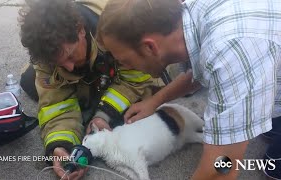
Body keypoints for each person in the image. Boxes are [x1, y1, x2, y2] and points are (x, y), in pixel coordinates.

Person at [96, 0, 281, 179]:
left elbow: (220, 168)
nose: (124, 66)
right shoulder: (191, 16)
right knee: (265, 127)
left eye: (123, 61)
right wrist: (155, 101)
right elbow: (202, 71)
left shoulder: (230, 53)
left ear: (149, 47)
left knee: (273, 166)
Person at [19, 0, 160, 179]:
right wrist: (60, 146)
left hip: (108, 42)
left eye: (70, 56)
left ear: (81, 30)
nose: (69, 68)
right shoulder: (45, 56)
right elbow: (55, 105)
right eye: (59, 63)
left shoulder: (119, 32)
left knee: (142, 98)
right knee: (30, 82)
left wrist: (103, 116)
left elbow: (134, 79)